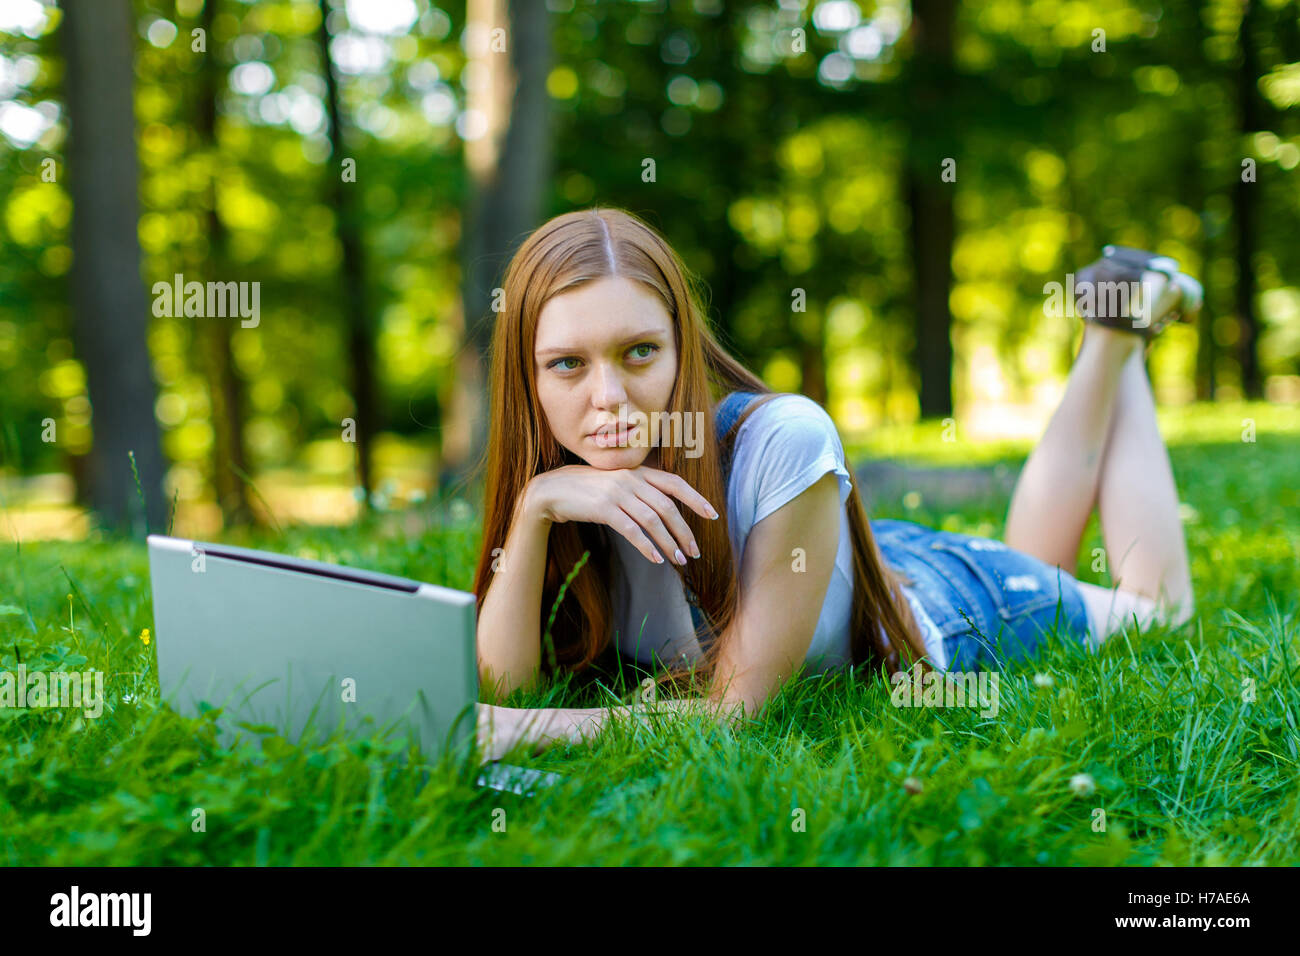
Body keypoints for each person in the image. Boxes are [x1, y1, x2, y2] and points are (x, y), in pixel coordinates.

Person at [472, 207, 1196, 762]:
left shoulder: (785, 438)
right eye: (567, 364)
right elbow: (504, 686)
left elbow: (733, 714)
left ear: (681, 347)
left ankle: (1115, 336)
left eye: (639, 352)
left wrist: (529, 731)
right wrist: (535, 510)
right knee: (1048, 563)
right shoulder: (561, 481)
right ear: (525, 377)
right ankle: (1120, 320)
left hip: (953, 606)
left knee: (1158, 613)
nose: (609, 398)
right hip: (847, 565)